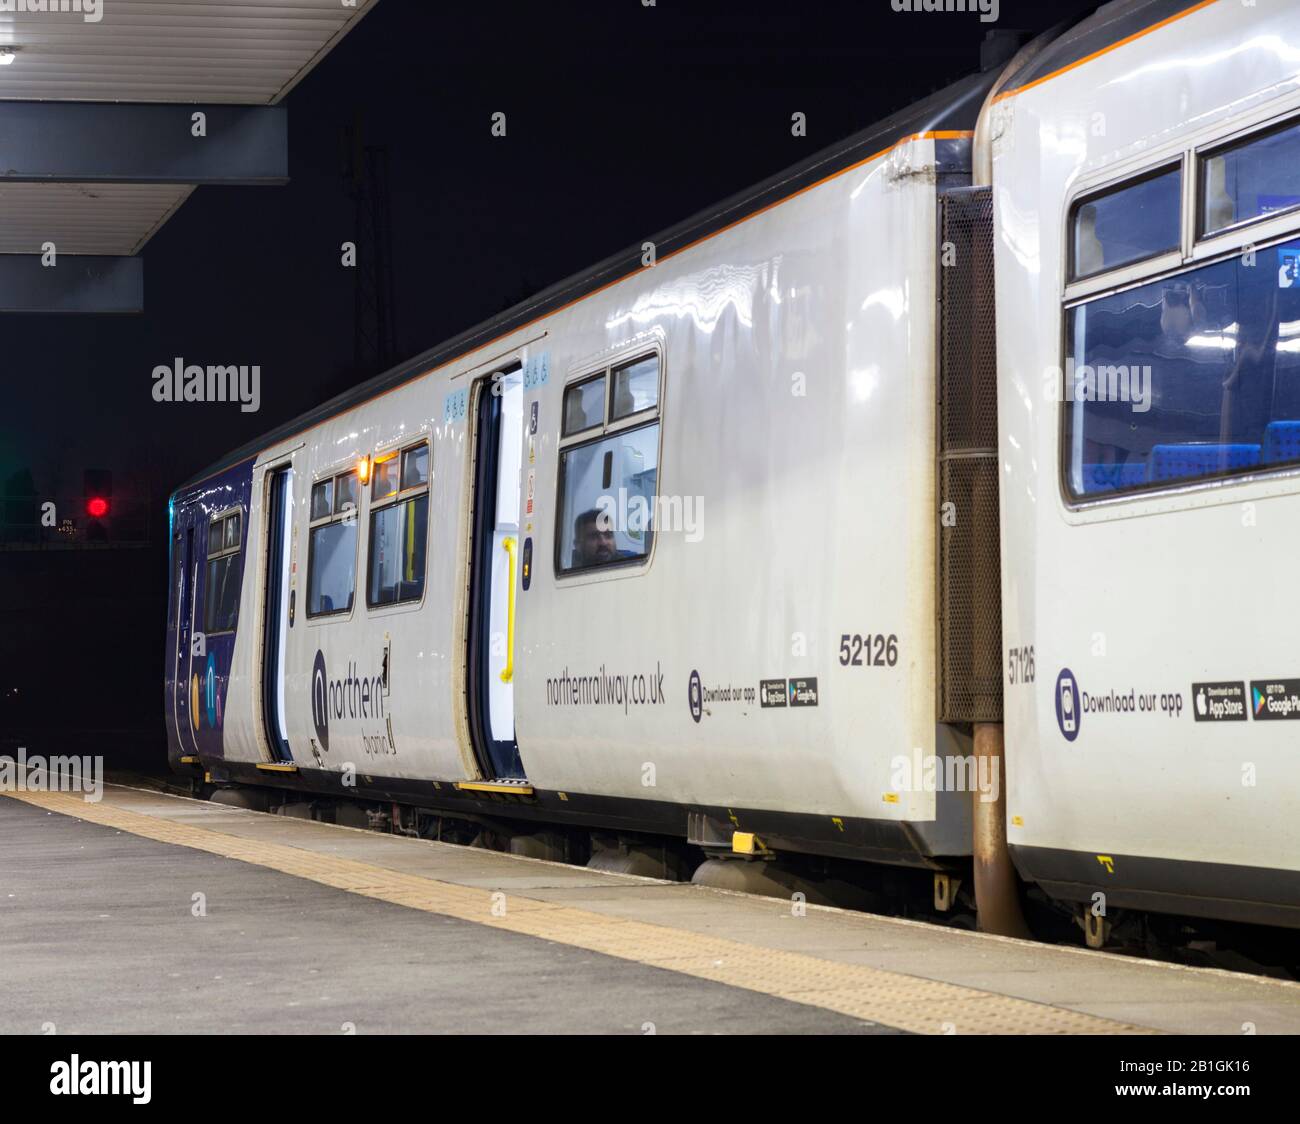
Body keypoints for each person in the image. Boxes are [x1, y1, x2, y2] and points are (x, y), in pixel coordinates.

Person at [571, 508, 637, 568]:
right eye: (594, 537)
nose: (603, 543)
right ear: (578, 545)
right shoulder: (568, 569)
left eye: (608, 535)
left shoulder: (631, 566)